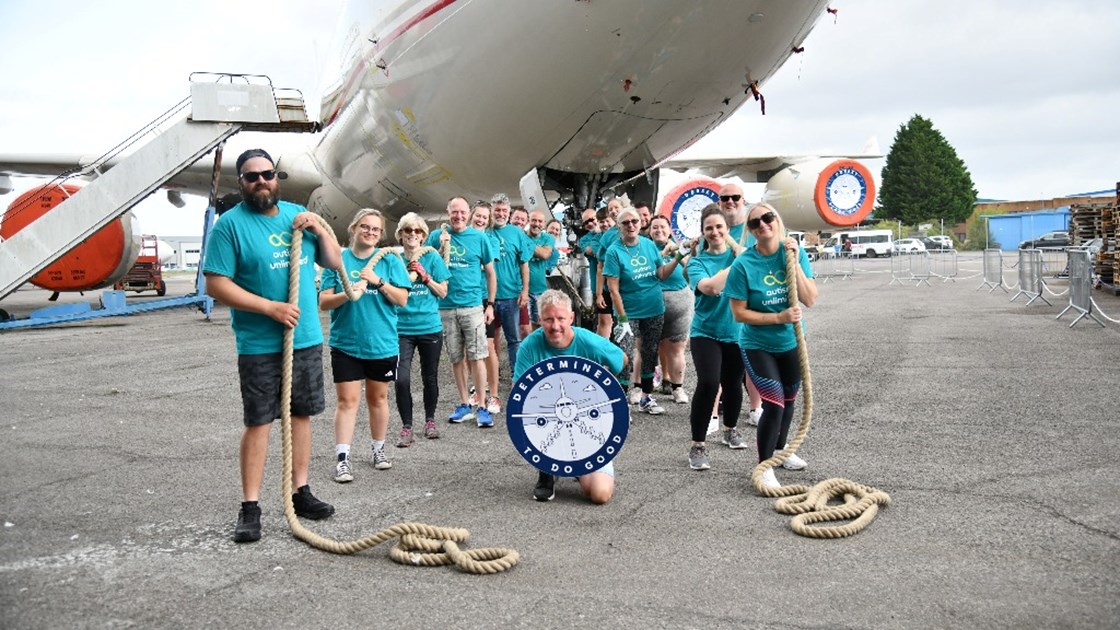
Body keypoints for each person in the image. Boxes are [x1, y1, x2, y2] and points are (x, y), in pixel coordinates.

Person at [203, 148, 343, 543]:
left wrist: (318, 227)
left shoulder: (297, 214)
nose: (261, 181)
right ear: (242, 183)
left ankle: (301, 492)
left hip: (306, 338)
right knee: (259, 422)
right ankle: (250, 506)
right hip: (259, 343)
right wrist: (269, 308)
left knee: (302, 416)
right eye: (252, 177)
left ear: (277, 176)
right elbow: (216, 284)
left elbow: (333, 261)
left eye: (268, 174)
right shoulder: (229, 227)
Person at [725, 203, 818, 489]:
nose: (763, 225)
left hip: (790, 341)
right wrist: (778, 316)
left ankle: (781, 451)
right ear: (751, 231)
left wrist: (793, 259)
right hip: (757, 344)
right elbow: (739, 313)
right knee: (774, 404)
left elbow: (810, 298)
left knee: (789, 402)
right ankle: (764, 466)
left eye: (768, 218)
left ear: (777, 220)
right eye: (755, 223)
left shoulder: (795, 253)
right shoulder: (743, 265)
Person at [319, 209, 410, 480]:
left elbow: (402, 299)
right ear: (354, 228)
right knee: (347, 401)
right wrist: (350, 293)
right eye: (365, 227)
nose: (370, 232)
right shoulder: (337, 259)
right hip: (346, 343)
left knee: (378, 398)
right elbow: (323, 301)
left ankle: (378, 449)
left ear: (381, 234)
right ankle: (343, 458)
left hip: (381, 343)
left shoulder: (389, 260)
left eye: (375, 229)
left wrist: (378, 282)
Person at [514, 290, 625, 504]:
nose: (555, 326)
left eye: (561, 319)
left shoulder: (588, 341)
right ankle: (547, 468)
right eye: (548, 319)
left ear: (571, 318)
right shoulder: (529, 347)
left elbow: (622, 361)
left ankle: (576, 465)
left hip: (588, 425)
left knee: (600, 495)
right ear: (539, 320)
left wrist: (603, 388)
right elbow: (520, 396)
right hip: (548, 420)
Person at [684, 204, 746, 471]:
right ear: (703, 232)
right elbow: (708, 288)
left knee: (733, 384)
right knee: (709, 383)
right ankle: (697, 445)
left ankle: (730, 429)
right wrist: (738, 263)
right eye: (709, 228)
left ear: (727, 229)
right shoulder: (698, 262)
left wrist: (740, 256)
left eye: (719, 226)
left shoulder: (741, 256)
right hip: (705, 332)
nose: (714, 231)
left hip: (737, 332)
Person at [426, 197, 498, 428]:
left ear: (468, 214)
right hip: (446, 306)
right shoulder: (437, 235)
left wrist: (490, 304)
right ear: (447, 212)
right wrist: (439, 248)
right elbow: (424, 266)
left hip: (472, 305)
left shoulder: (479, 238)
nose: (458, 216)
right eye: (454, 211)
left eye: (462, 212)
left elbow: (490, 273)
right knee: (456, 357)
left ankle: (483, 407)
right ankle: (464, 403)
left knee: (477, 356)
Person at [602, 206, 675, 415]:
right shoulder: (614, 251)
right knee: (624, 355)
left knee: (650, 353)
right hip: (629, 313)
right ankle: (621, 400)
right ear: (619, 227)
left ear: (641, 223)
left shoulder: (649, 245)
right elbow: (613, 289)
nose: (631, 225)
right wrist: (622, 318)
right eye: (626, 223)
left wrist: (678, 259)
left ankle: (646, 397)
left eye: (634, 221)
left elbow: (661, 273)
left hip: (654, 309)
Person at [393, 212, 449, 446]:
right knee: (401, 379)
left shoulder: (433, 258)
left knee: (430, 377)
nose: (412, 235)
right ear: (401, 235)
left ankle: (430, 420)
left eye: (417, 231)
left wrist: (426, 277)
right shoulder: (393, 260)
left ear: (424, 236)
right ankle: (407, 426)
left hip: (429, 326)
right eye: (408, 230)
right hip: (401, 328)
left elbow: (443, 292)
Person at [718, 182, 763, 425]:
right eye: (725, 198)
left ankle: (757, 408)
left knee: (752, 361)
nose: (730, 202)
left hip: (750, 305)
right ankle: (724, 411)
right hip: (721, 308)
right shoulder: (713, 229)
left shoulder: (753, 227)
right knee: (728, 367)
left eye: (735, 197)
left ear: (743, 200)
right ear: (719, 203)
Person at [488, 193, 532, 397]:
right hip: (487, 296)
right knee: (489, 339)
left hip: (510, 295)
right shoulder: (484, 232)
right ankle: (491, 377)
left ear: (509, 212)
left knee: (514, 340)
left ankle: (517, 376)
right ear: (491, 210)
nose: (501, 213)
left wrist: (524, 291)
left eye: (504, 210)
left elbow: (524, 264)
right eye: (497, 210)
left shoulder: (516, 233)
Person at [648, 214, 692, 404]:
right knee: (648, 348)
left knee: (676, 348)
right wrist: (662, 254)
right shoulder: (644, 249)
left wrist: (678, 254)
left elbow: (692, 271)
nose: (659, 231)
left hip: (680, 304)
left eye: (662, 227)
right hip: (651, 305)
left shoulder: (681, 247)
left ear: (669, 230)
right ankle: (644, 389)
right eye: (654, 227)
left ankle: (678, 387)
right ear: (649, 231)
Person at [467, 201, 503, 413]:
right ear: (472, 215)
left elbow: (487, 268)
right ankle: (479, 391)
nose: (480, 220)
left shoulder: (490, 239)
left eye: (484, 217)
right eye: (477, 215)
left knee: (488, 347)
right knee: (470, 350)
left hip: (483, 298)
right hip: (465, 300)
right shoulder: (461, 235)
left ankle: (495, 395)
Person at [526, 210, 556, 330]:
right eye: (533, 220)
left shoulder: (548, 238)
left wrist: (527, 243)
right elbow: (542, 252)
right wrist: (539, 249)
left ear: (543, 224)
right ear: (529, 221)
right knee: (524, 327)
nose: (536, 224)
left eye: (540, 221)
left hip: (540, 289)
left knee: (539, 324)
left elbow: (545, 254)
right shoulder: (522, 236)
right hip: (523, 290)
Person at [592, 205, 617, 337]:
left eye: (607, 220)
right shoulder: (599, 239)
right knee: (604, 321)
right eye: (602, 222)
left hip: (624, 289)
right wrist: (599, 293)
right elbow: (600, 265)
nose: (605, 224)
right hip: (606, 287)